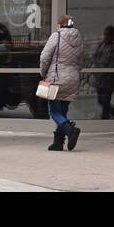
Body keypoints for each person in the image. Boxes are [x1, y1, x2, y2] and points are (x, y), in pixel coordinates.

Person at [39, 15, 85, 151]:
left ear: (60, 25)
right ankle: (58, 142)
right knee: (62, 111)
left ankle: (70, 130)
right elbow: (81, 60)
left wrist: (43, 73)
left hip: (56, 78)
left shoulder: (56, 36)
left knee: (53, 111)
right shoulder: (78, 39)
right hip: (73, 79)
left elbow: (44, 57)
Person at [91, 25, 114, 119]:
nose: (106, 37)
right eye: (105, 34)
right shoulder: (102, 44)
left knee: (106, 99)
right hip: (100, 77)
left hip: (109, 77)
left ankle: (106, 116)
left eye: (108, 35)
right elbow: (95, 56)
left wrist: (106, 70)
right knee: (101, 100)